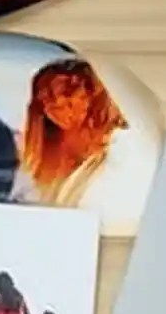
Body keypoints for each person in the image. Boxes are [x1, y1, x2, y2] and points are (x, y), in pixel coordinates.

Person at [12, 58, 128, 207]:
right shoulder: (37, 164)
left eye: (68, 92)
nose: (56, 103)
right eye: (46, 96)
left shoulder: (119, 153)